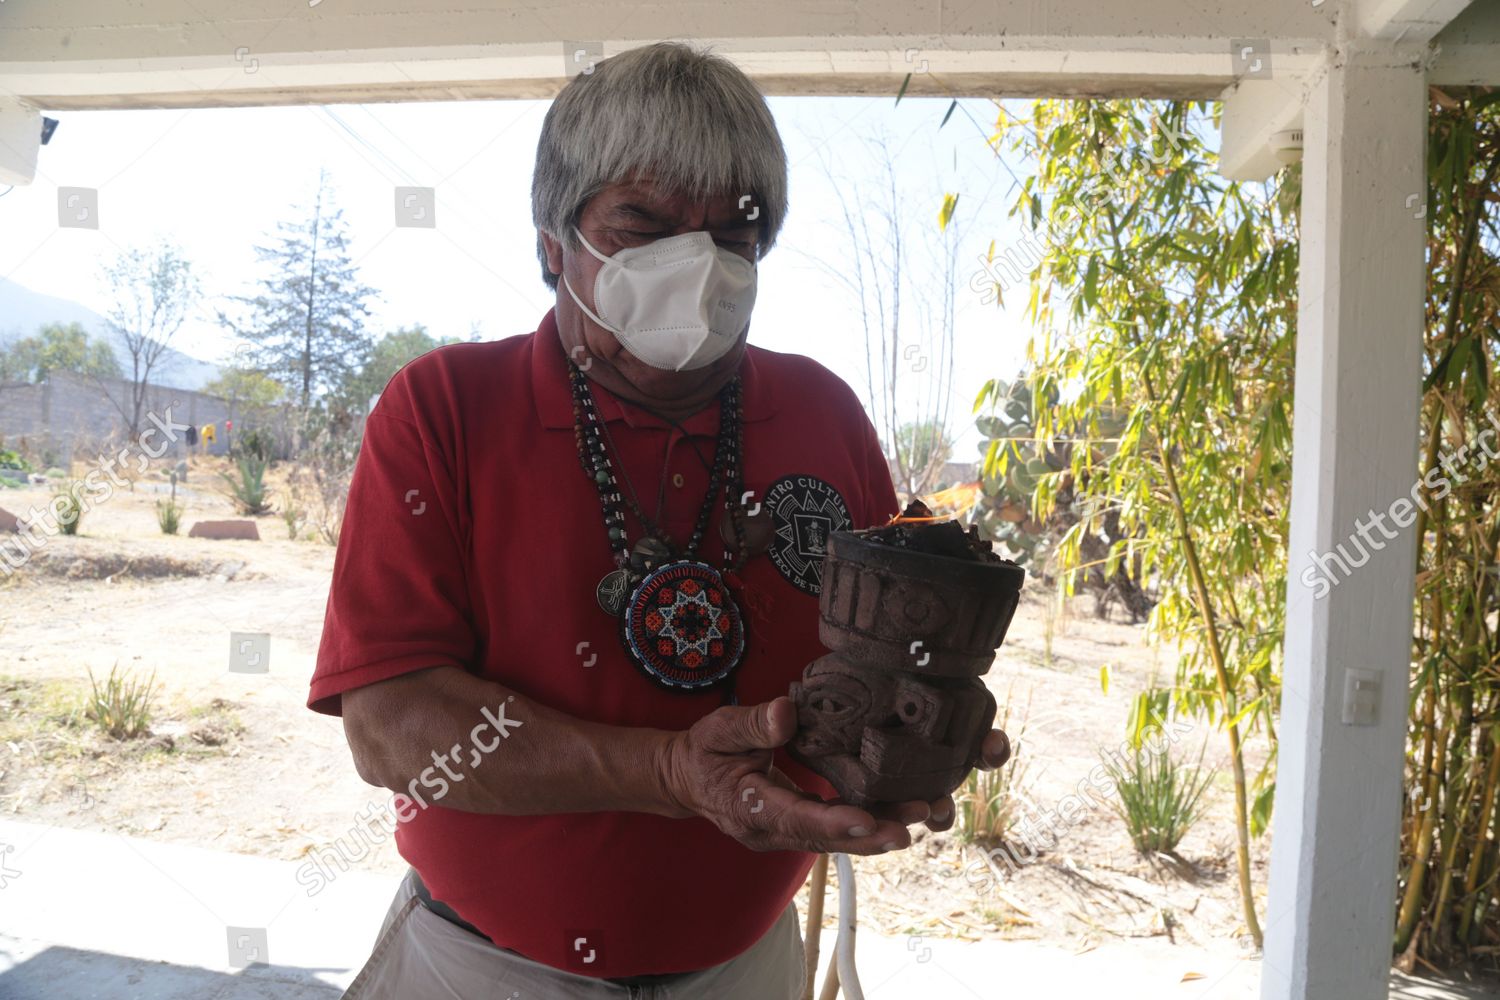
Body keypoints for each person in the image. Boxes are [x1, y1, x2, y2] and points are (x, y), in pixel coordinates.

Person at [308, 41, 1012, 999]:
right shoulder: (444, 409)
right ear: (554, 244)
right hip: (483, 970)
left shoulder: (824, 413)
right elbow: (390, 727)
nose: (697, 266)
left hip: (746, 968)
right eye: (642, 224)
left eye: (734, 233)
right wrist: (670, 772)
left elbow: (878, 655)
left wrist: (922, 716)